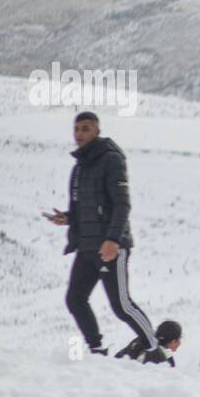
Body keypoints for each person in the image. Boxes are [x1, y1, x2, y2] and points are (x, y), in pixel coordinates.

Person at [44, 111, 163, 360]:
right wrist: (68, 217)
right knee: (75, 300)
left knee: (121, 306)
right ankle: (97, 351)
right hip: (87, 247)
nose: (79, 134)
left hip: (110, 247)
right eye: (76, 129)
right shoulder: (79, 167)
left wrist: (113, 240)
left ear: (97, 131)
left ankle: (154, 350)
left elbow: (122, 205)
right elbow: (85, 208)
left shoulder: (111, 160)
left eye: (85, 129)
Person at [115, 320, 183, 367]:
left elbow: (119, 356)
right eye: (179, 340)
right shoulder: (166, 360)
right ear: (173, 341)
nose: (179, 343)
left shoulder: (142, 340)